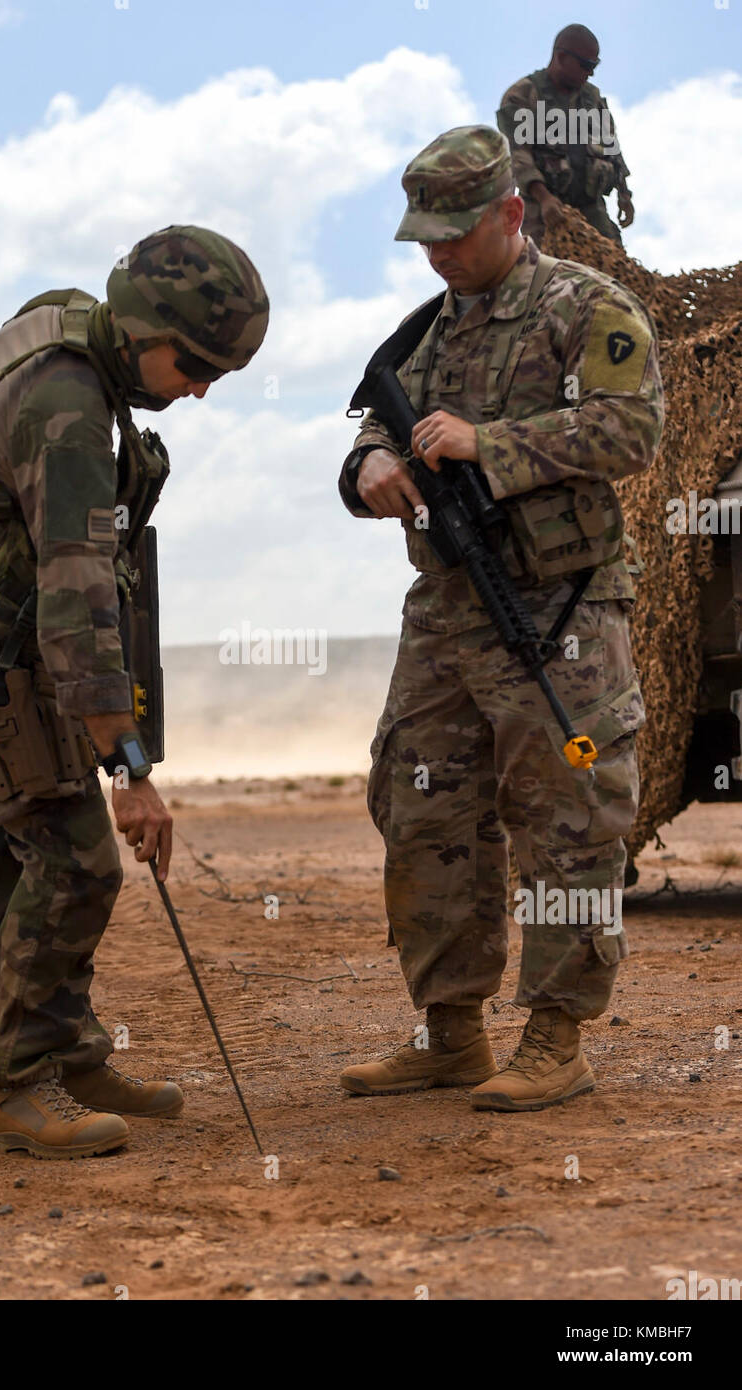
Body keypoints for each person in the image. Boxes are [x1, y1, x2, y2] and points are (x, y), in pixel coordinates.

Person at [0, 226, 269, 1158]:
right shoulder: (68, 410)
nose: (203, 388)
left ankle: (62, 1053)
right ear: (143, 330)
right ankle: (15, 1087)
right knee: (79, 860)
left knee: (16, 849)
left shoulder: (74, 333)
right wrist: (129, 768)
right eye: (195, 363)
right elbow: (78, 604)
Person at [337, 126, 663, 1112]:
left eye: (454, 234)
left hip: (555, 602)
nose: (436, 254)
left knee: (565, 816)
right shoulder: (422, 334)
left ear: (510, 214)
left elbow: (630, 428)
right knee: (421, 804)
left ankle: (555, 1036)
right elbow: (369, 426)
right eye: (422, 238)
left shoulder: (585, 307)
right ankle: (449, 1035)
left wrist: (490, 444)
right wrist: (367, 469)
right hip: (444, 609)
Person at [497, 24, 633, 246]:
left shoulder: (591, 99)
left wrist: (624, 194)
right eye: (586, 65)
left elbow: (611, 146)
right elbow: (518, 156)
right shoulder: (523, 96)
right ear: (561, 57)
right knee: (546, 272)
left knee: (614, 272)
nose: (591, 72)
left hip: (591, 208)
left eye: (595, 65)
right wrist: (544, 199)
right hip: (544, 209)